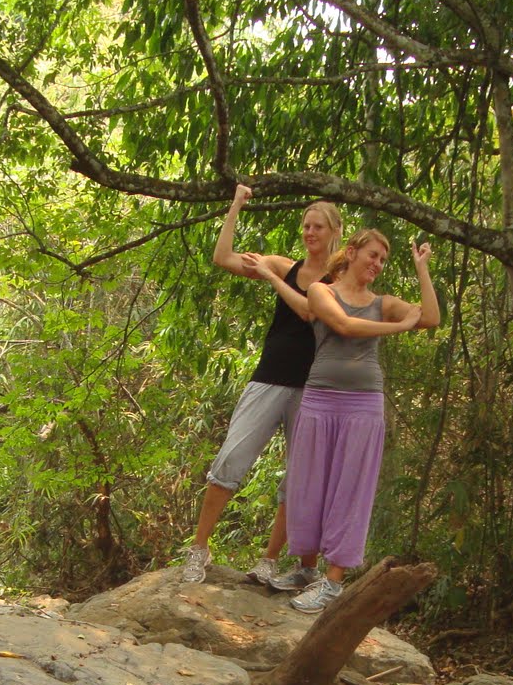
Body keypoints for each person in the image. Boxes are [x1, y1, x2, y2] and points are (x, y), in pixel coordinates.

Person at [257, 229, 440, 612]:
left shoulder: (382, 303)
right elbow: (344, 326)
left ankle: (333, 582)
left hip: (363, 406)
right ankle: (306, 570)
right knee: (308, 486)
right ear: (352, 252)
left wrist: (422, 269)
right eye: (372, 255)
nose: (377, 264)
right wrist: (399, 327)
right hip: (320, 399)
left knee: (350, 490)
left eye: (383, 260)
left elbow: (431, 317)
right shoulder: (321, 291)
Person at [180, 184, 343, 584]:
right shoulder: (283, 265)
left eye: (318, 227)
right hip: (269, 377)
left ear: (334, 232)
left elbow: (309, 312)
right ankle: (198, 549)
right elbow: (222, 257)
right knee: (230, 461)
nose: (309, 233)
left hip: (314, 387)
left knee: (300, 478)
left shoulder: (339, 282)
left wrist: (271, 277)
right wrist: (235, 205)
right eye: (306, 225)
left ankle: (271, 562)